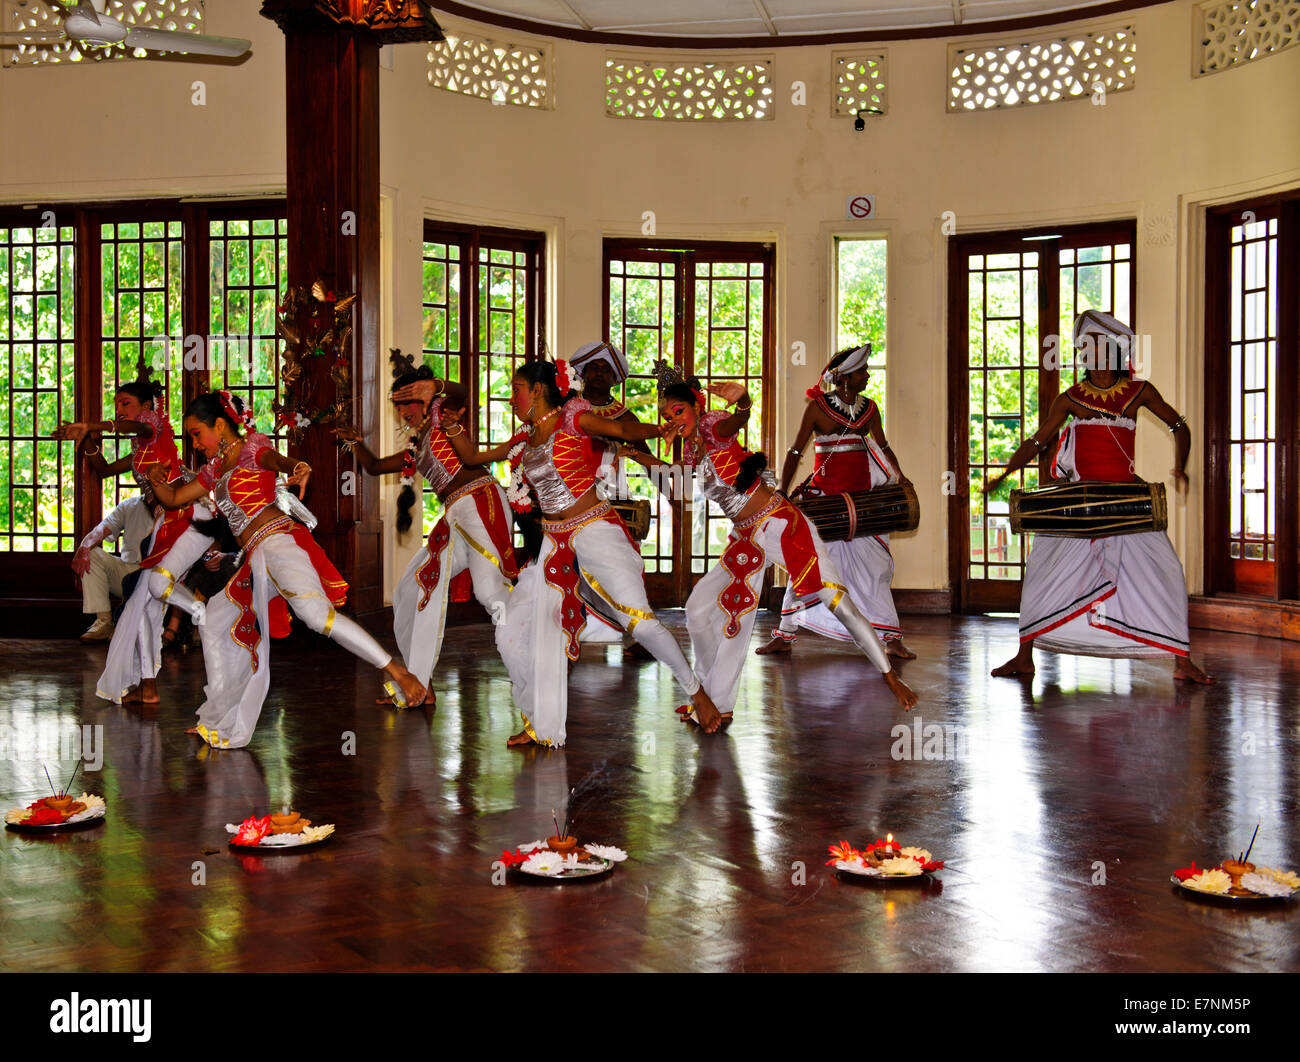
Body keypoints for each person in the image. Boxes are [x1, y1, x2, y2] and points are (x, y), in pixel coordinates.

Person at [418, 359, 727, 747]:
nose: (511, 396)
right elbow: (474, 459)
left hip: (595, 530)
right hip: (553, 543)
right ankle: (539, 720)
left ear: (537, 391)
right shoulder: (524, 437)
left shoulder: (573, 417)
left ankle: (696, 691)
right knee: (510, 632)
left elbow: (619, 429)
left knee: (640, 624)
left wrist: (659, 429)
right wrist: (453, 429)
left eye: (516, 388)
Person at [632, 364, 916, 719]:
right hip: (748, 537)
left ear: (697, 407)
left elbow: (734, 422)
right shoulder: (691, 451)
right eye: (665, 415)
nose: (673, 419)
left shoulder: (712, 427)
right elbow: (680, 479)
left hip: (782, 525)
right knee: (698, 609)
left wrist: (745, 403)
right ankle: (711, 700)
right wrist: (635, 455)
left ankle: (890, 679)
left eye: (679, 410)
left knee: (835, 600)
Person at [148, 390, 427, 748]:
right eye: (190, 436)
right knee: (215, 619)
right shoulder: (214, 470)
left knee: (318, 618)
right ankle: (218, 716)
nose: (195, 442)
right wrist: (157, 476)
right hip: (255, 558)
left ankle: (397, 671)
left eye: (197, 433)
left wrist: (299, 467)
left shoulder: (253, 450)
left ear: (220, 425)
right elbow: (171, 499)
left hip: (278, 544)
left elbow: (282, 461)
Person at [985, 310, 1213, 683]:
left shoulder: (1140, 391)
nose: (1088, 353)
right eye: (1085, 347)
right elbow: (1037, 442)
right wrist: (1005, 473)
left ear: (1115, 350)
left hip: (1126, 503)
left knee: (1166, 572)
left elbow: (1178, 426)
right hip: (1079, 504)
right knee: (1041, 572)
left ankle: (1181, 661)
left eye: (1096, 346)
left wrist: (1180, 466)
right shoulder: (1071, 398)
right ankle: (1024, 656)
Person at [336, 351, 517, 706]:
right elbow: (372, 467)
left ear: (429, 399)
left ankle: (541, 637)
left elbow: (462, 391)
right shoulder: (415, 448)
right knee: (410, 589)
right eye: (400, 405)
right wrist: (353, 441)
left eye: (412, 401)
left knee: (490, 594)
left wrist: (436, 386)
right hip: (455, 515)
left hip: (481, 501)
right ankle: (419, 683)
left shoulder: (443, 417)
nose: (406, 411)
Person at [757, 344, 915, 659]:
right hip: (824, 504)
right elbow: (794, 451)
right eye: (862, 371)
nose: (867, 375)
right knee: (808, 567)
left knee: (876, 569)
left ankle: (891, 638)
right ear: (843, 377)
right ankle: (785, 634)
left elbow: (883, 447)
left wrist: (900, 477)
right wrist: (783, 491)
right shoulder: (817, 407)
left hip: (863, 504)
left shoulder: (870, 408)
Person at [570, 340, 659, 653]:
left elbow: (643, 453)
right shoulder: (569, 408)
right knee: (570, 565)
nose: (597, 373)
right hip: (571, 496)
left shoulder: (623, 415)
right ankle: (573, 628)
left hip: (612, 495)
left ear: (614, 378)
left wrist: (668, 482)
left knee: (626, 565)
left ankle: (638, 632)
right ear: (582, 373)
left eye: (604, 369)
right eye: (592, 367)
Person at [72, 491, 161, 642]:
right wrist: (84, 548)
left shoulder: (176, 505)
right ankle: (104, 621)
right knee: (91, 554)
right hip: (128, 571)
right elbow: (102, 528)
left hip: (160, 574)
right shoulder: (130, 505)